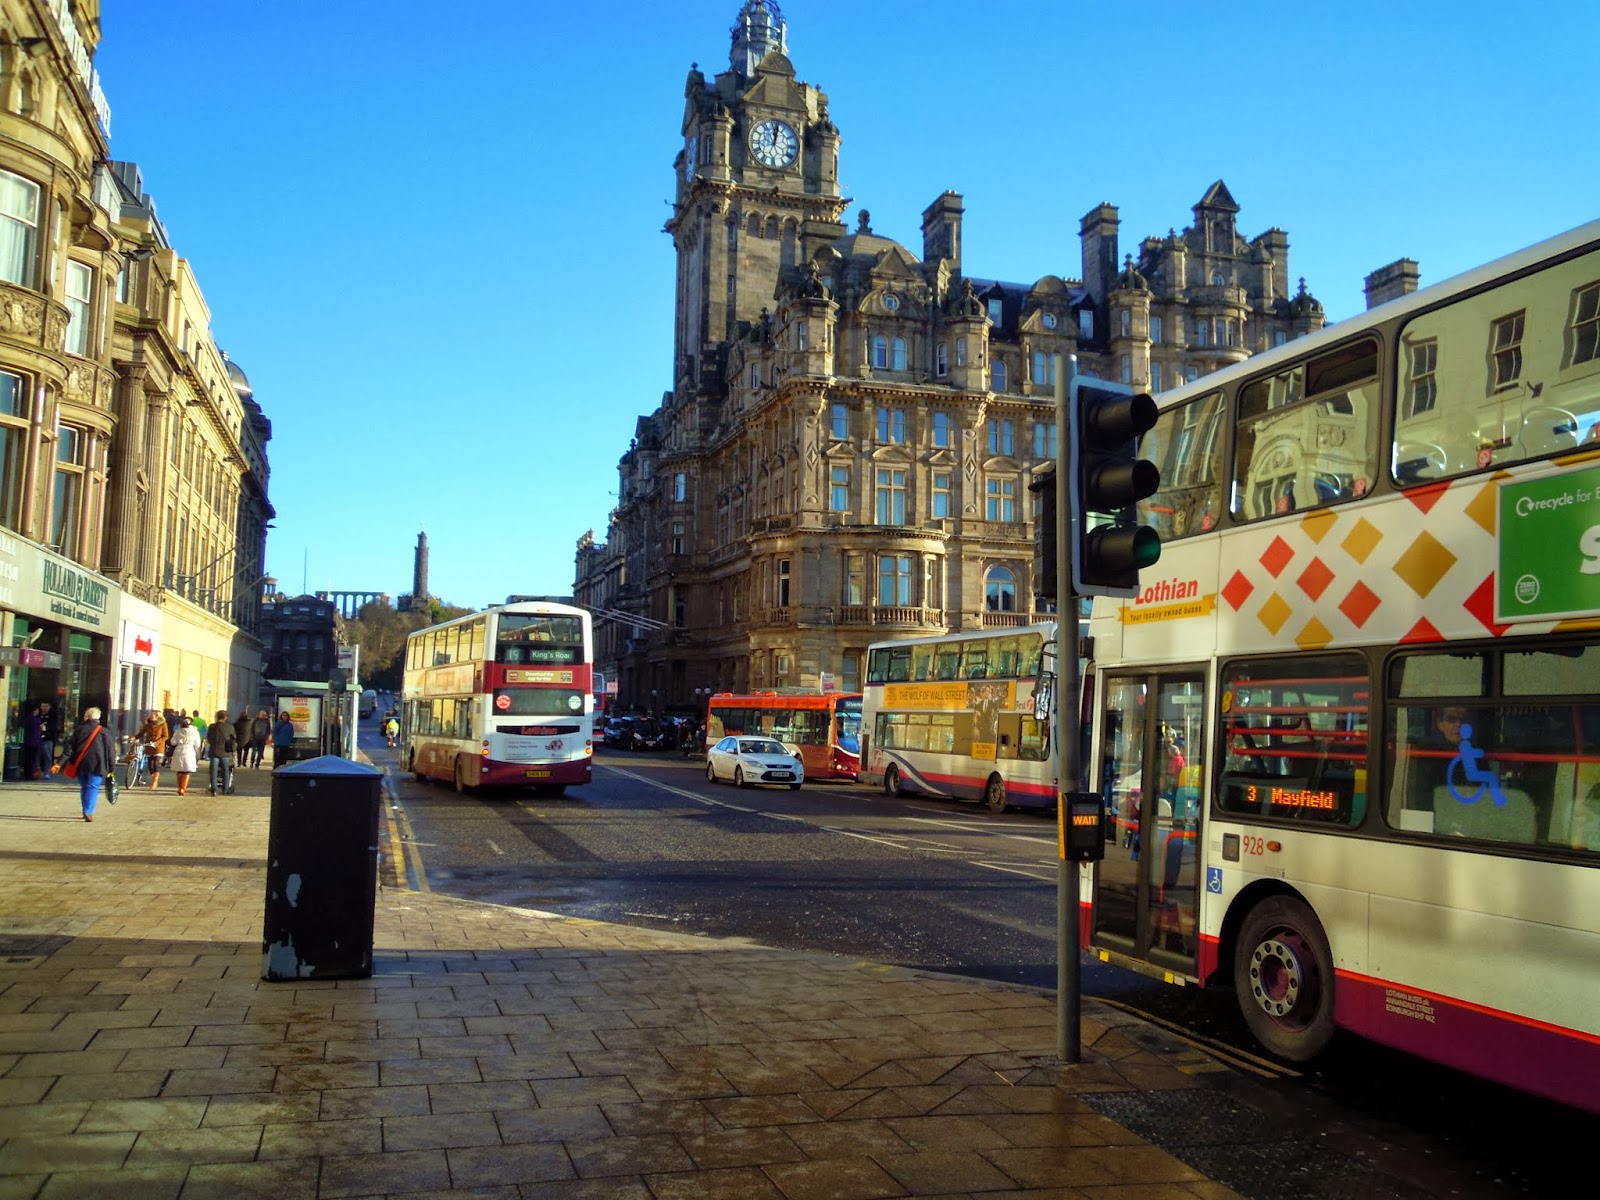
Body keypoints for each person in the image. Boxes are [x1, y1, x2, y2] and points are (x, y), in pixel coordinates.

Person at [66, 706, 116, 822]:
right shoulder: (104, 732)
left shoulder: (79, 730)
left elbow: (70, 747)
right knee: (93, 787)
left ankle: (85, 809)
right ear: (98, 718)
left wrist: (63, 762)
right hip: (98, 764)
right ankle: (88, 811)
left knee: (84, 787)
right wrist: (112, 768)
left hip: (81, 763)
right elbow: (111, 751)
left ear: (87, 717)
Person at [168, 715, 202, 796]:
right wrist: (198, 754)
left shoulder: (178, 732)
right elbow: (197, 744)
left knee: (179, 770)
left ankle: (179, 787)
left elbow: (173, 742)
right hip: (189, 751)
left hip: (178, 751)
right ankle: (183, 788)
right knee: (187, 771)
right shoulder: (195, 732)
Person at [137, 709, 170, 790]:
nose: (151, 716)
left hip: (158, 747)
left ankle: (155, 781)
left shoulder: (163, 724)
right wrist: (134, 737)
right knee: (150, 764)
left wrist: (157, 742)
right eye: (151, 715)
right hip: (149, 746)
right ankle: (153, 778)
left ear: (157, 717)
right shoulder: (148, 724)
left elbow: (165, 736)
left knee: (155, 763)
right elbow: (141, 733)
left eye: (153, 715)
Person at [206, 708, 237, 795]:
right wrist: (233, 749)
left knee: (213, 771)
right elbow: (234, 739)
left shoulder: (212, 727)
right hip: (225, 752)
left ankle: (214, 789)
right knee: (226, 771)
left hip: (214, 751)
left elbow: (209, 738)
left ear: (217, 717)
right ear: (226, 717)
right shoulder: (230, 727)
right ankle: (225, 789)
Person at [21, 702, 43, 780]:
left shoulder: (27, 719)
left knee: (27, 759)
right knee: (33, 758)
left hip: (27, 740)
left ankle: (26, 774)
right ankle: (32, 774)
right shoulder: (37, 720)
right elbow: (43, 728)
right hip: (35, 741)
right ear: (35, 711)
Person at [40, 700, 61, 778]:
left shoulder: (53, 716)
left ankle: (47, 772)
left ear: (49, 707)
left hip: (48, 739)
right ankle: (37, 771)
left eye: (46, 706)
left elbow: (54, 728)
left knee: (47, 756)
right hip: (38, 738)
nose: (44, 708)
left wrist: (46, 731)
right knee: (37, 756)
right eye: (43, 706)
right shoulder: (38, 715)